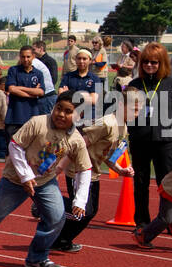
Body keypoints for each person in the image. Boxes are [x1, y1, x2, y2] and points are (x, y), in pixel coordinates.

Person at [0, 91, 91, 267]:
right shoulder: (38, 122)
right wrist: (26, 176)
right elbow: (15, 146)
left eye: (68, 111)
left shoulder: (76, 140)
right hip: (15, 179)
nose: (62, 115)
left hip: (45, 182)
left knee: (56, 218)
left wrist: (80, 200)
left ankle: (37, 258)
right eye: (59, 108)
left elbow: (84, 169)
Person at [51, 94, 135, 253]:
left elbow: (110, 155)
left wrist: (121, 170)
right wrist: (59, 168)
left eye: (138, 110)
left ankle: (61, 240)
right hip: (78, 170)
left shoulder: (123, 127)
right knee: (83, 211)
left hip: (93, 172)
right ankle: (47, 202)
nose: (136, 113)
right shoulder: (107, 123)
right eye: (133, 109)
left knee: (89, 212)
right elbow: (80, 143)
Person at [125, 42, 172, 228]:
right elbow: (124, 113)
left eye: (154, 62)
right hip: (140, 141)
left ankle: (166, 219)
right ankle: (142, 222)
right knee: (140, 183)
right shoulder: (134, 84)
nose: (150, 65)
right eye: (146, 62)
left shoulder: (171, 84)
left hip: (164, 141)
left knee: (166, 184)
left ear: (162, 63)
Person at [3, 46, 45, 149]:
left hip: (32, 116)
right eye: (23, 57)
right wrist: (32, 94)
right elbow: (11, 89)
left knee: (29, 150)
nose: (25, 59)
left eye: (28, 56)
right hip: (14, 116)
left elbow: (41, 92)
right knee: (12, 149)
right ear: (20, 57)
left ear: (33, 57)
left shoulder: (38, 74)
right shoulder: (13, 70)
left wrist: (20, 88)